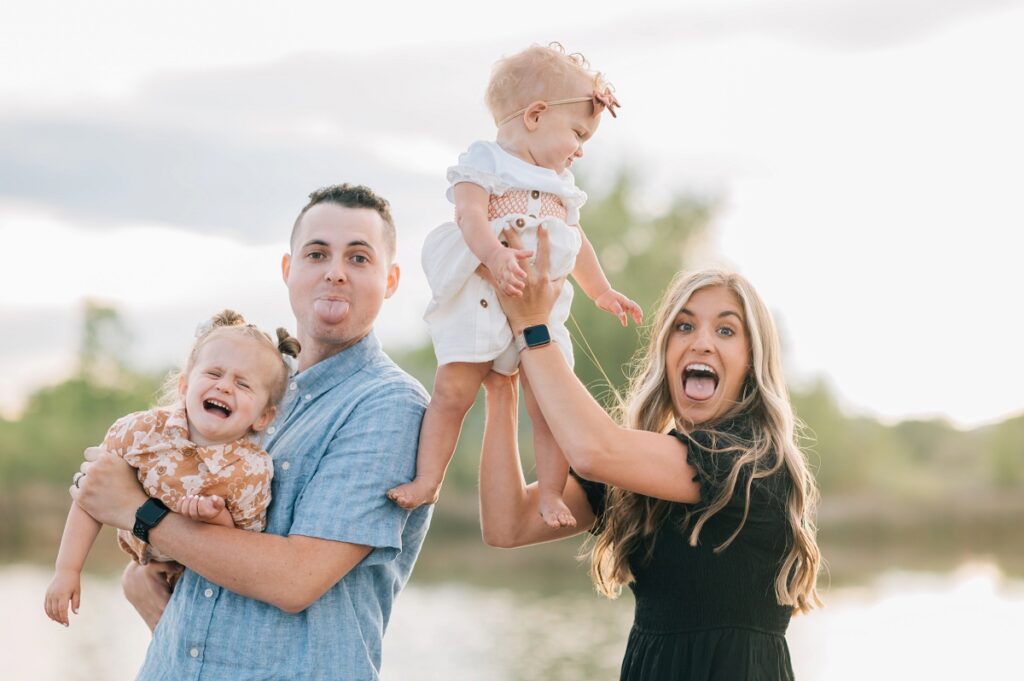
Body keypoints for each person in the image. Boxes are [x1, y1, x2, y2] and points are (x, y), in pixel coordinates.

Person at [70, 184, 431, 681]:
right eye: (317, 253)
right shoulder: (248, 388)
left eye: (359, 257)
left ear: (390, 280)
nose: (335, 271)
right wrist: (143, 571)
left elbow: (296, 578)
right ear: (289, 270)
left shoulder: (388, 405)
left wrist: (138, 514)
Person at [478, 230, 822, 680]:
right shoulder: (644, 469)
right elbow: (508, 524)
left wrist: (533, 326)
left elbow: (592, 449)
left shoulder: (751, 461)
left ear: (751, 361)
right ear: (665, 349)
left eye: (725, 329)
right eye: (684, 325)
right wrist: (502, 389)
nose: (700, 342)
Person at [387, 43, 642, 528]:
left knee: (549, 407)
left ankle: (548, 493)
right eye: (578, 132)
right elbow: (469, 214)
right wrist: (495, 254)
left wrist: (601, 290)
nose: (581, 148)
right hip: (485, 292)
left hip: (542, 312)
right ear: (535, 115)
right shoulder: (486, 160)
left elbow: (578, 240)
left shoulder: (563, 187)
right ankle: (429, 479)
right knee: (451, 392)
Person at [44, 310, 298, 627]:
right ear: (184, 385)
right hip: (146, 563)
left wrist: (214, 516)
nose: (224, 387)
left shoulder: (251, 470)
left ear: (263, 417)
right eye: (214, 373)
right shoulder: (141, 431)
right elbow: (91, 497)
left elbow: (242, 550)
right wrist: (67, 570)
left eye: (243, 384)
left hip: (205, 584)